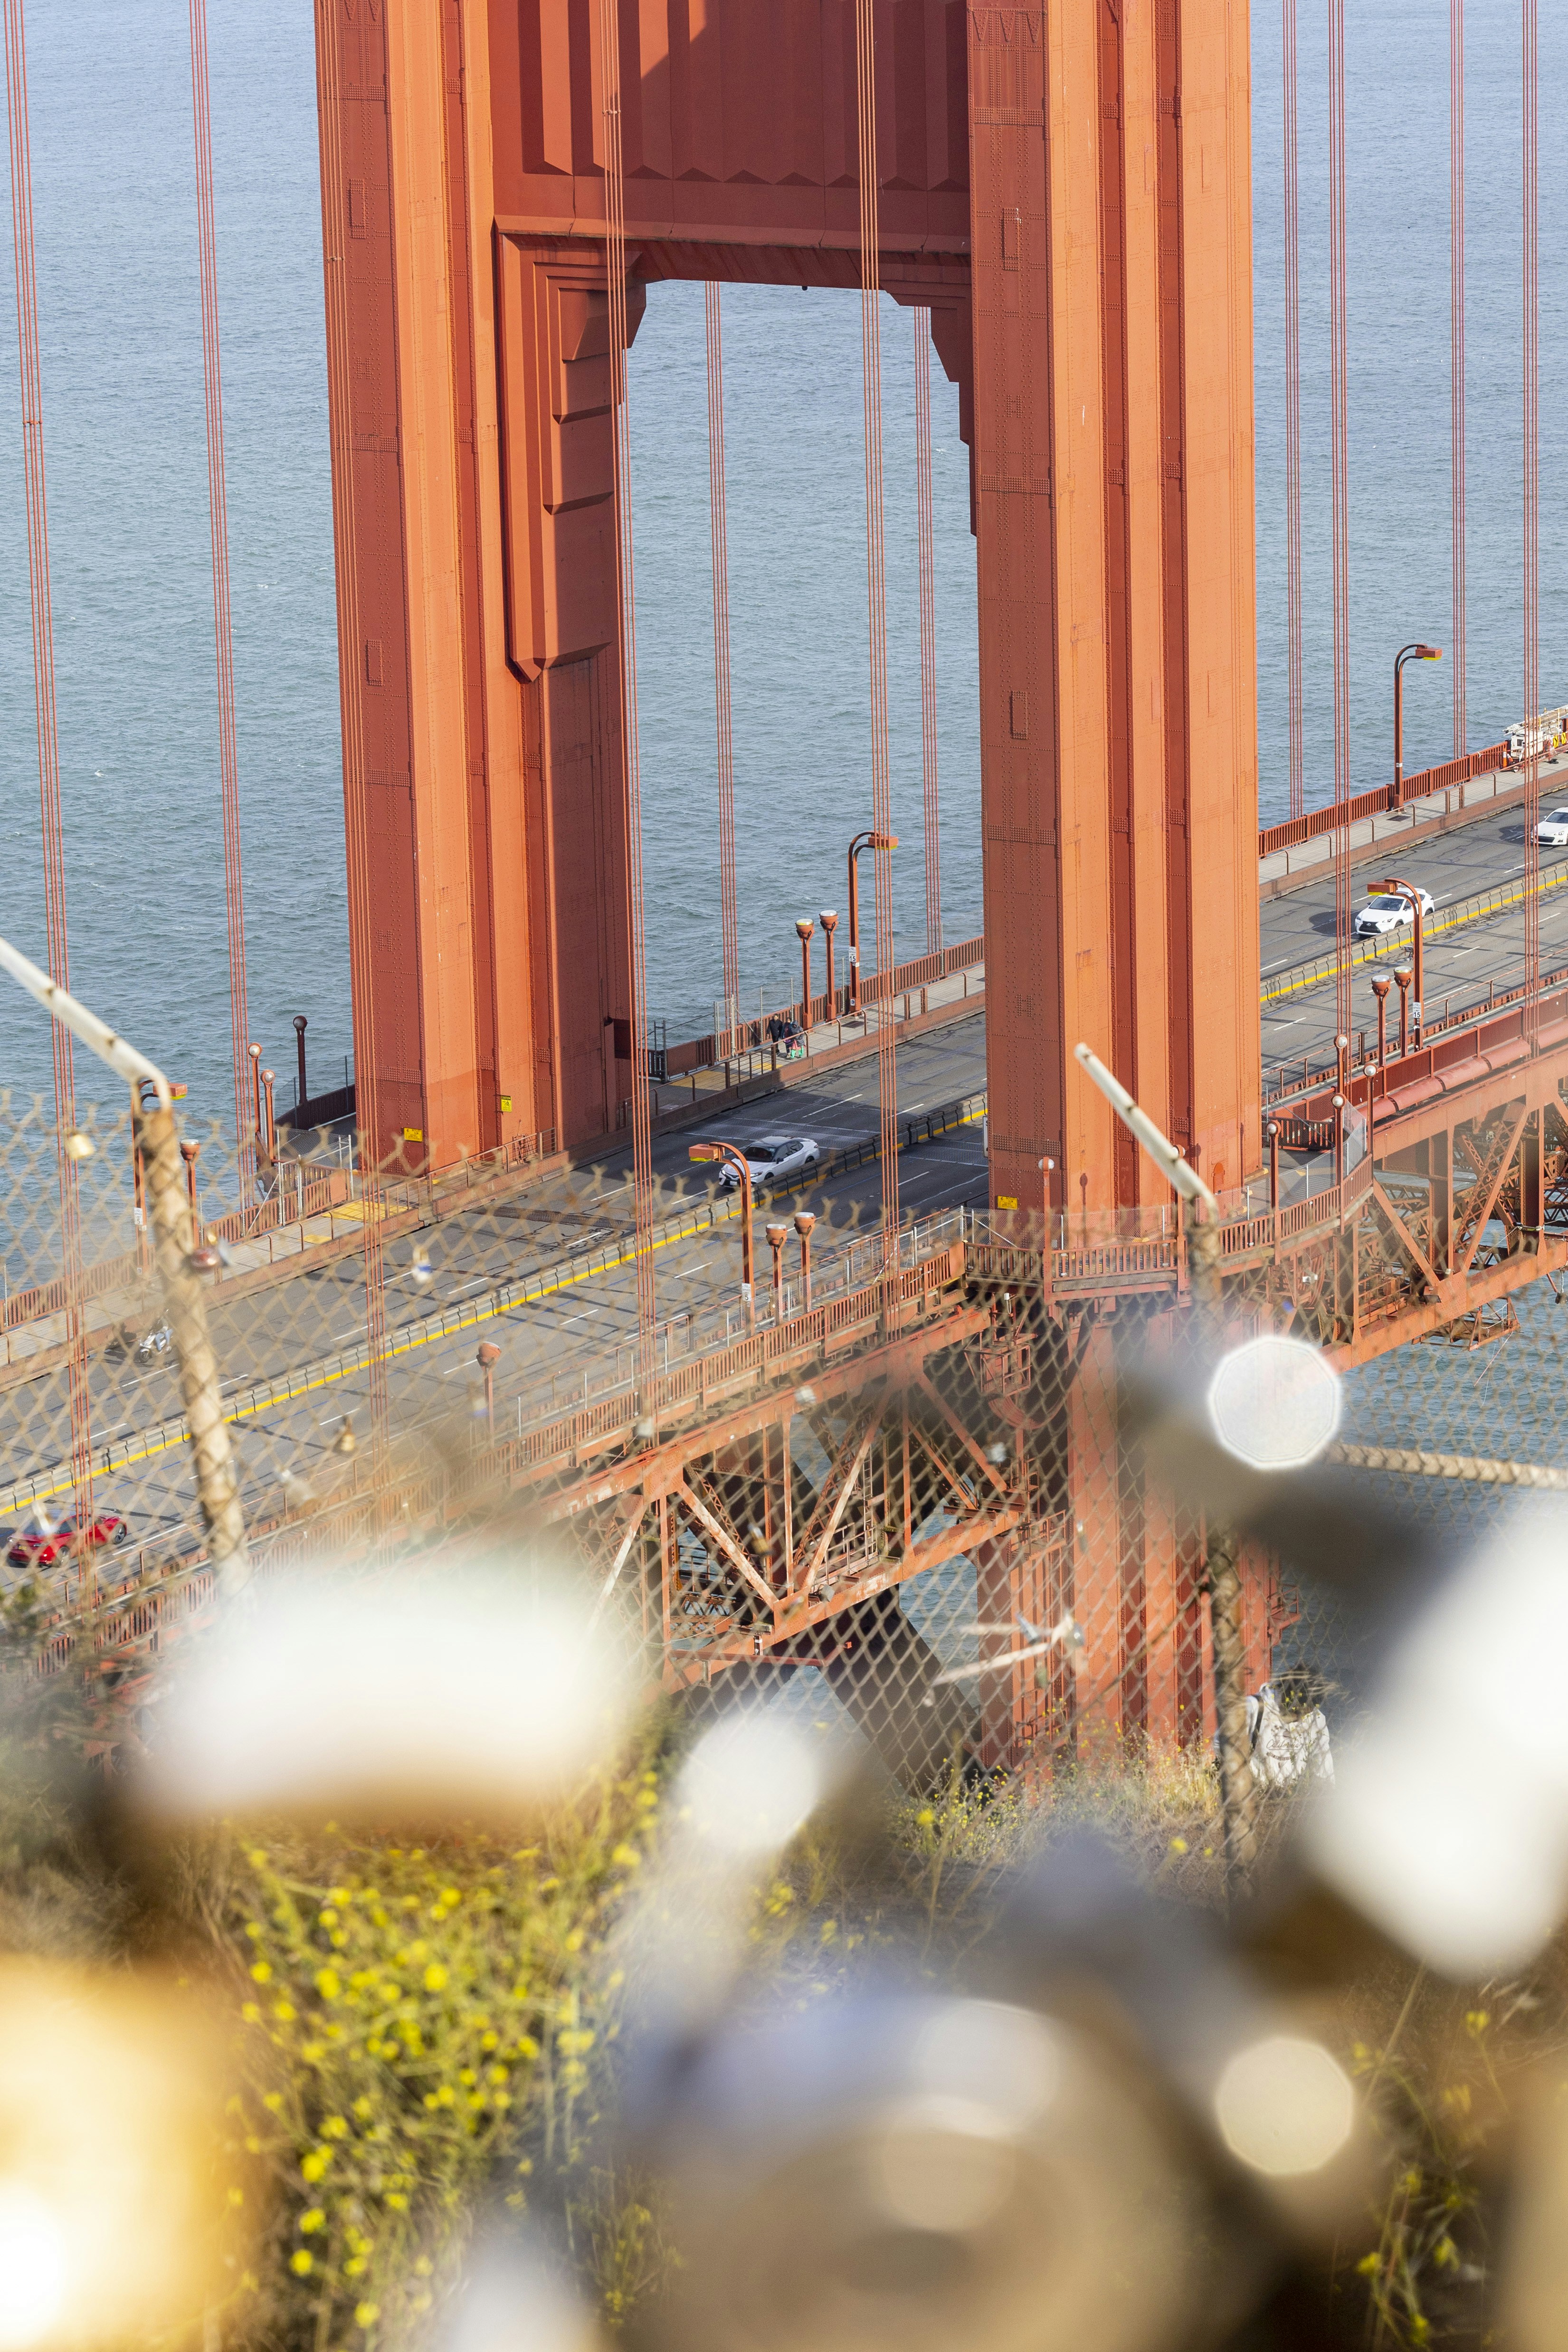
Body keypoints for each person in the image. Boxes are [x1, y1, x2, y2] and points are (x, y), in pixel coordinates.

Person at [1246, 1666, 1333, 1792]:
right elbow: (1220, 1744)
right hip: (1256, 1793)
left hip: (1293, 1794)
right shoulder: (1255, 1707)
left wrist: (1327, 1792)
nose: (1300, 1719)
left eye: (1305, 1714)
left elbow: (1324, 1766)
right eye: (1296, 1711)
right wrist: (1258, 1778)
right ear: (1286, 1696)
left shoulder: (1316, 1719)